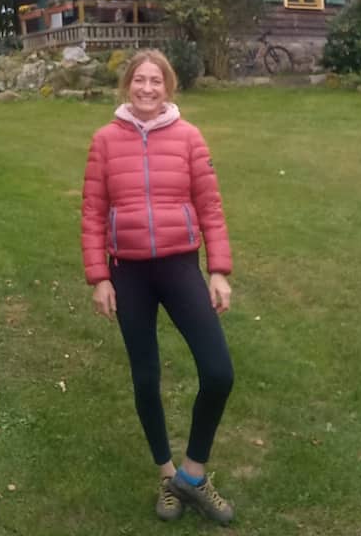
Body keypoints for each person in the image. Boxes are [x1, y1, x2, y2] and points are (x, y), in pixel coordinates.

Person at [81, 49, 235, 525]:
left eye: (156, 81)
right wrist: (100, 277)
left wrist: (218, 270)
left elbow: (210, 206)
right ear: (127, 85)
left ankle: (192, 474)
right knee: (145, 377)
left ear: (168, 88)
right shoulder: (105, 141)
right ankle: (167, 475)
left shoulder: (189, 137)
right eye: (139, 80)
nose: (147, 88)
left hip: (179, 266)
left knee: (219, 371)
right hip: (129, 274)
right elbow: (92, 212)